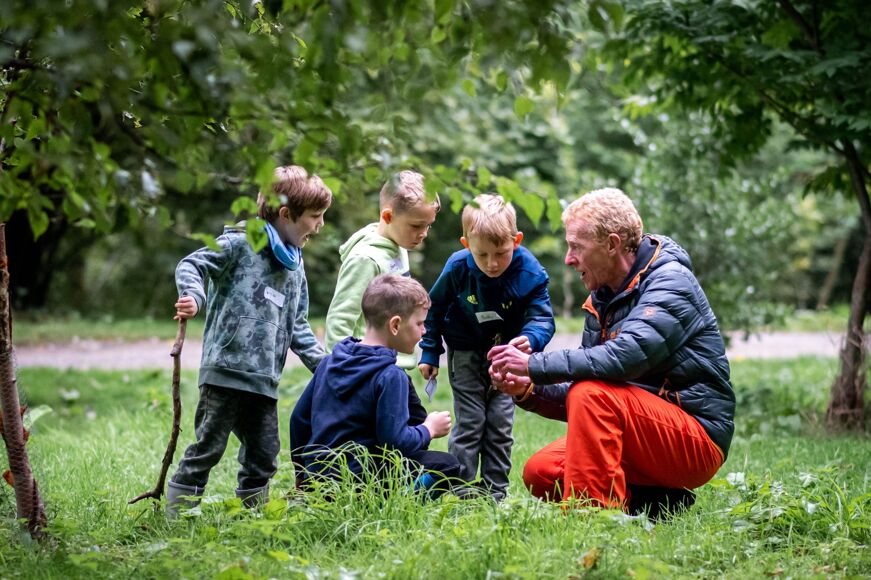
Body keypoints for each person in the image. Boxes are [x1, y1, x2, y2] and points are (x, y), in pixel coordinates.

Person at [488, 187, 734, 517]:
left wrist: (533, 364)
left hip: (694, 438)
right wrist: (528, 389)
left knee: (593, 393)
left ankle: (596, 522)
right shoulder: (603, 298)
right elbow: (583, 395)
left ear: (612, 244)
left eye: (576, 246)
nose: (568, 258)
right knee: (542, 471)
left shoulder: (671, 282)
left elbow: (624, 357)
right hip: (641, 431)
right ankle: (656, 502)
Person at [166, 165, 332, 515]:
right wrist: (195, 296)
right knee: (208, 448)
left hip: (263, 380)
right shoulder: (240, 244)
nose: (320, 225)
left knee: (265, 453)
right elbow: (191, 265)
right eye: (315, 216)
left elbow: (298, 327)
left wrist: (330, 366)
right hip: (225, 372)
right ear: (286, 214)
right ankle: (178, 516)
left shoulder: (295, 265)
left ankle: (254, 517)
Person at [418, 194, 555, 500]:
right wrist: (430, 351)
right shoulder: (457, 268)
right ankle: (462, 491)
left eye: (501, 253)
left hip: (507, 359)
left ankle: (496, 492)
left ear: (516, 241)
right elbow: (433, 309)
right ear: (466, 245)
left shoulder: (530, 273)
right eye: (482, 255)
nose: (492, 263)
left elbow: (543, 318)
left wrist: (530, 339)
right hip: (465, 353)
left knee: (499, 426)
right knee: (470, 423)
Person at [291, 274, 461, 495]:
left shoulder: (330, 362)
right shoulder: (390, 376)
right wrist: (429, 429)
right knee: (447, 465)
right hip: (359, 485)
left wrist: (301, 473)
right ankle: (396, 501)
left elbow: (298, 419)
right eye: (419, 323)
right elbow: (395, 443)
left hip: (319, 480)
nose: (424, 331)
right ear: (395, 324)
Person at [325, 170, 439, 369]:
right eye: (416, 226)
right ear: (387, 216)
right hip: (366, 369)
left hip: (393, 366)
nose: (423, 234)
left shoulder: (399, 246)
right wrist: (341, 371)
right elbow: (340, 320)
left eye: (428, 225)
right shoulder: (365, 259)